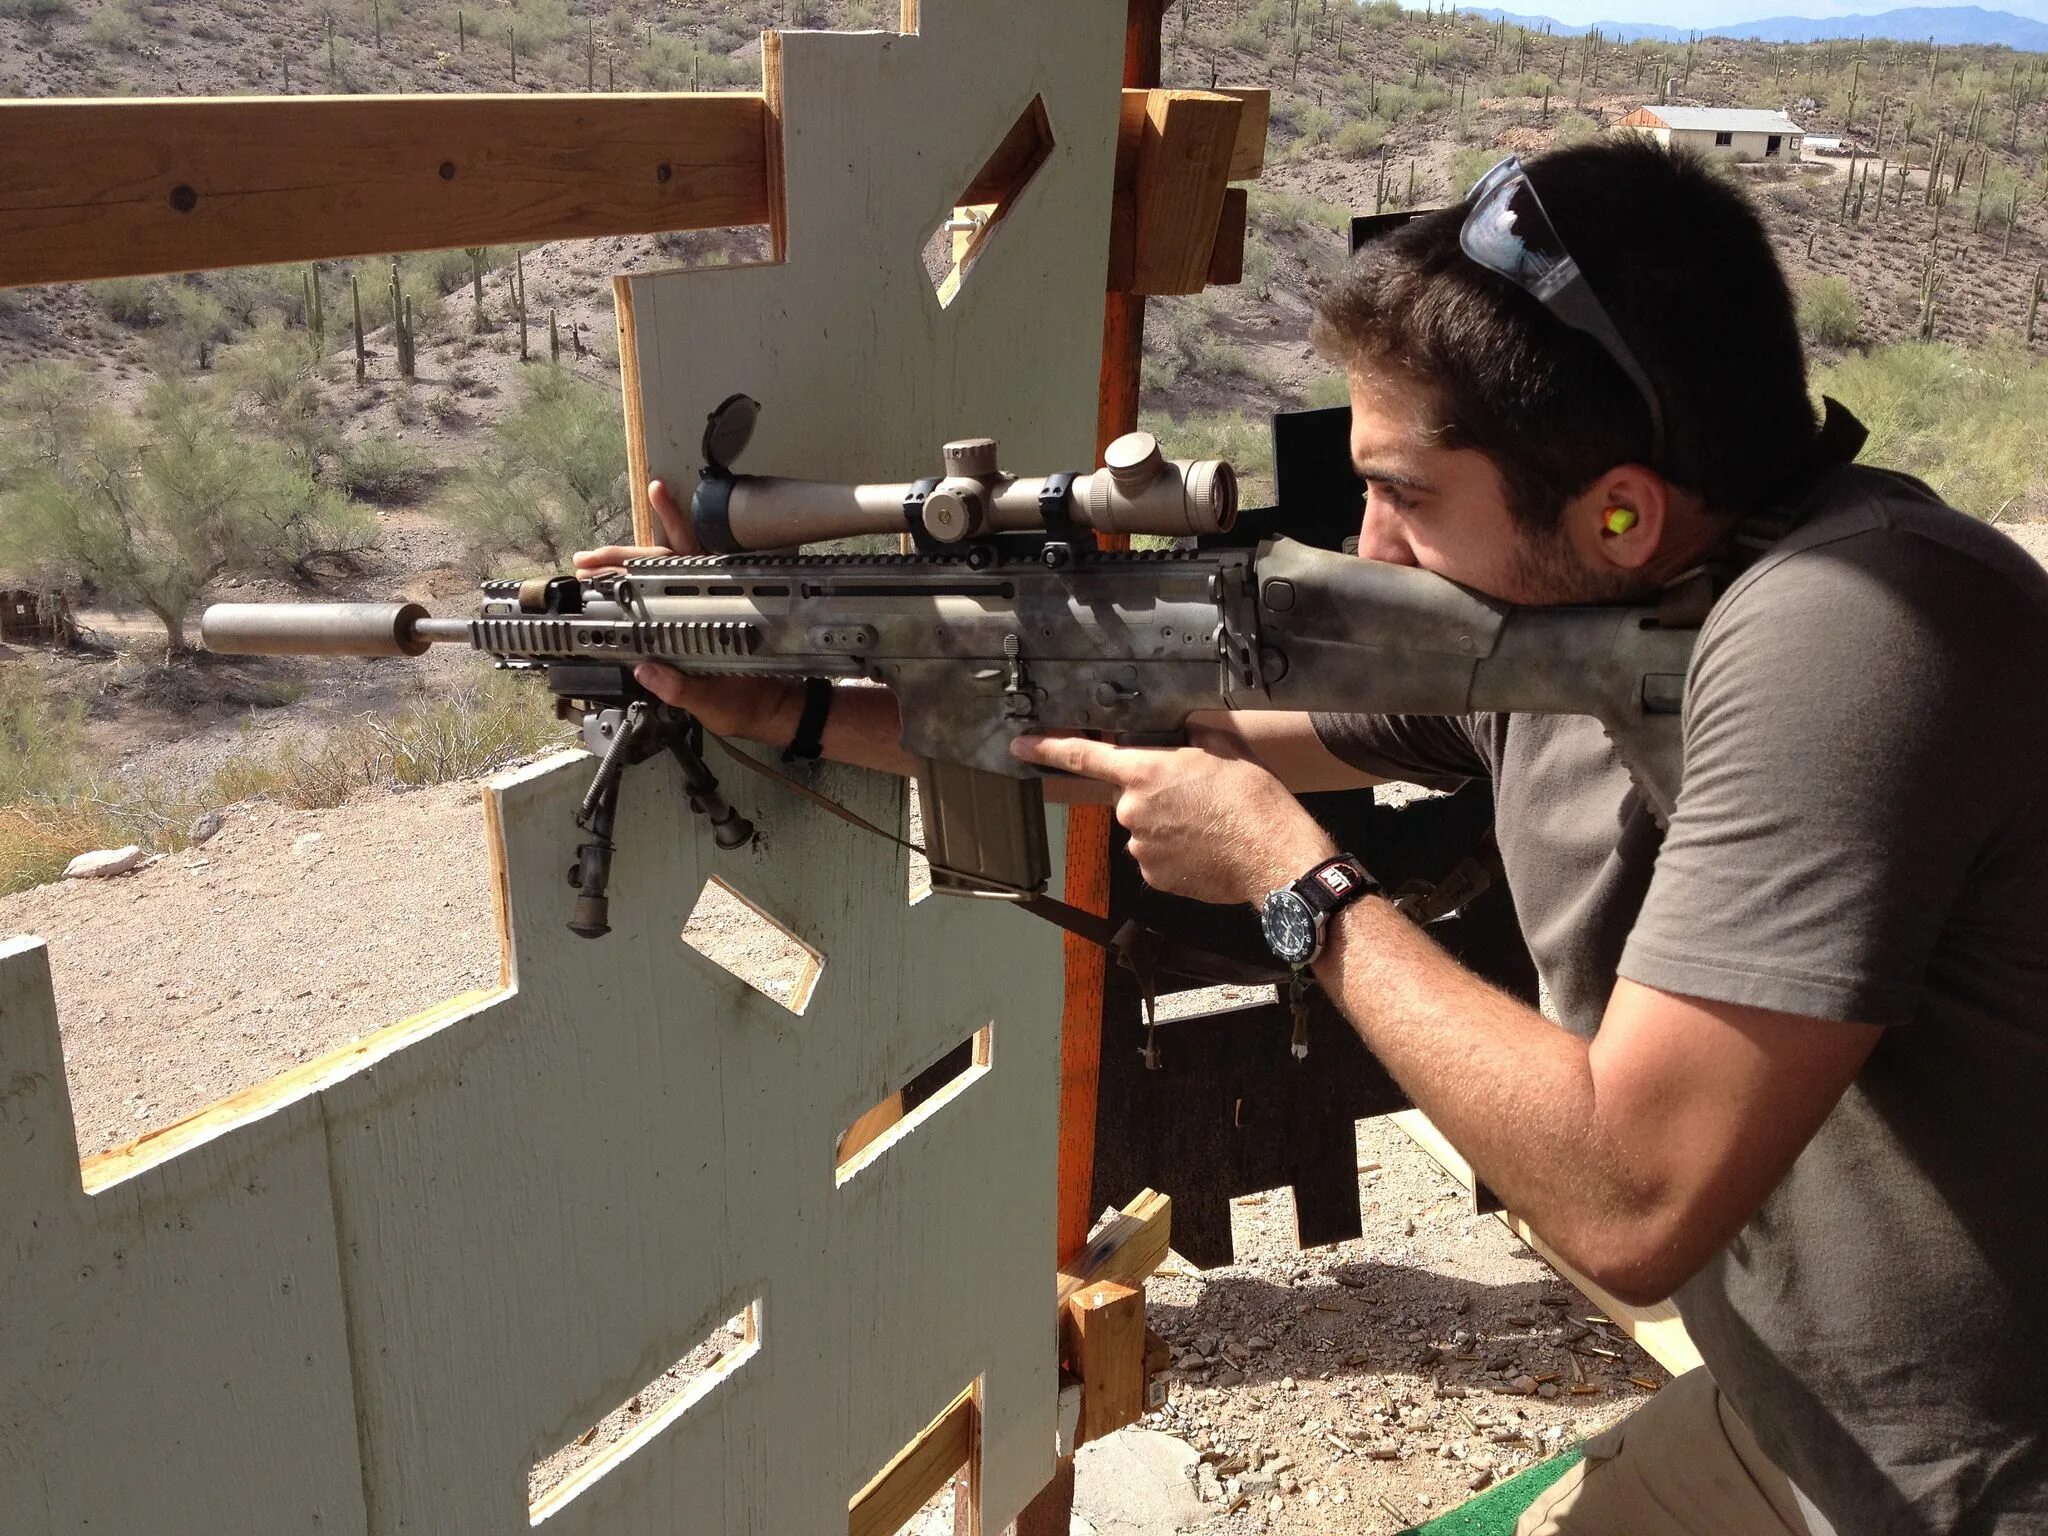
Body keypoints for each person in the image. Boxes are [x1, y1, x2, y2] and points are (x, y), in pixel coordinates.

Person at [586, 138, 2048, 1534]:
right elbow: (1186, 731)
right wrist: (797, 706)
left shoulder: (1856, 635)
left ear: (1619, 515)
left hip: (1968, 1488)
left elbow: (1630, 1198)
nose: (1370, 547)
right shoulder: (1576, 623)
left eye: (1406, 495)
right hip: (1799, 1431)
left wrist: (1300, 884)